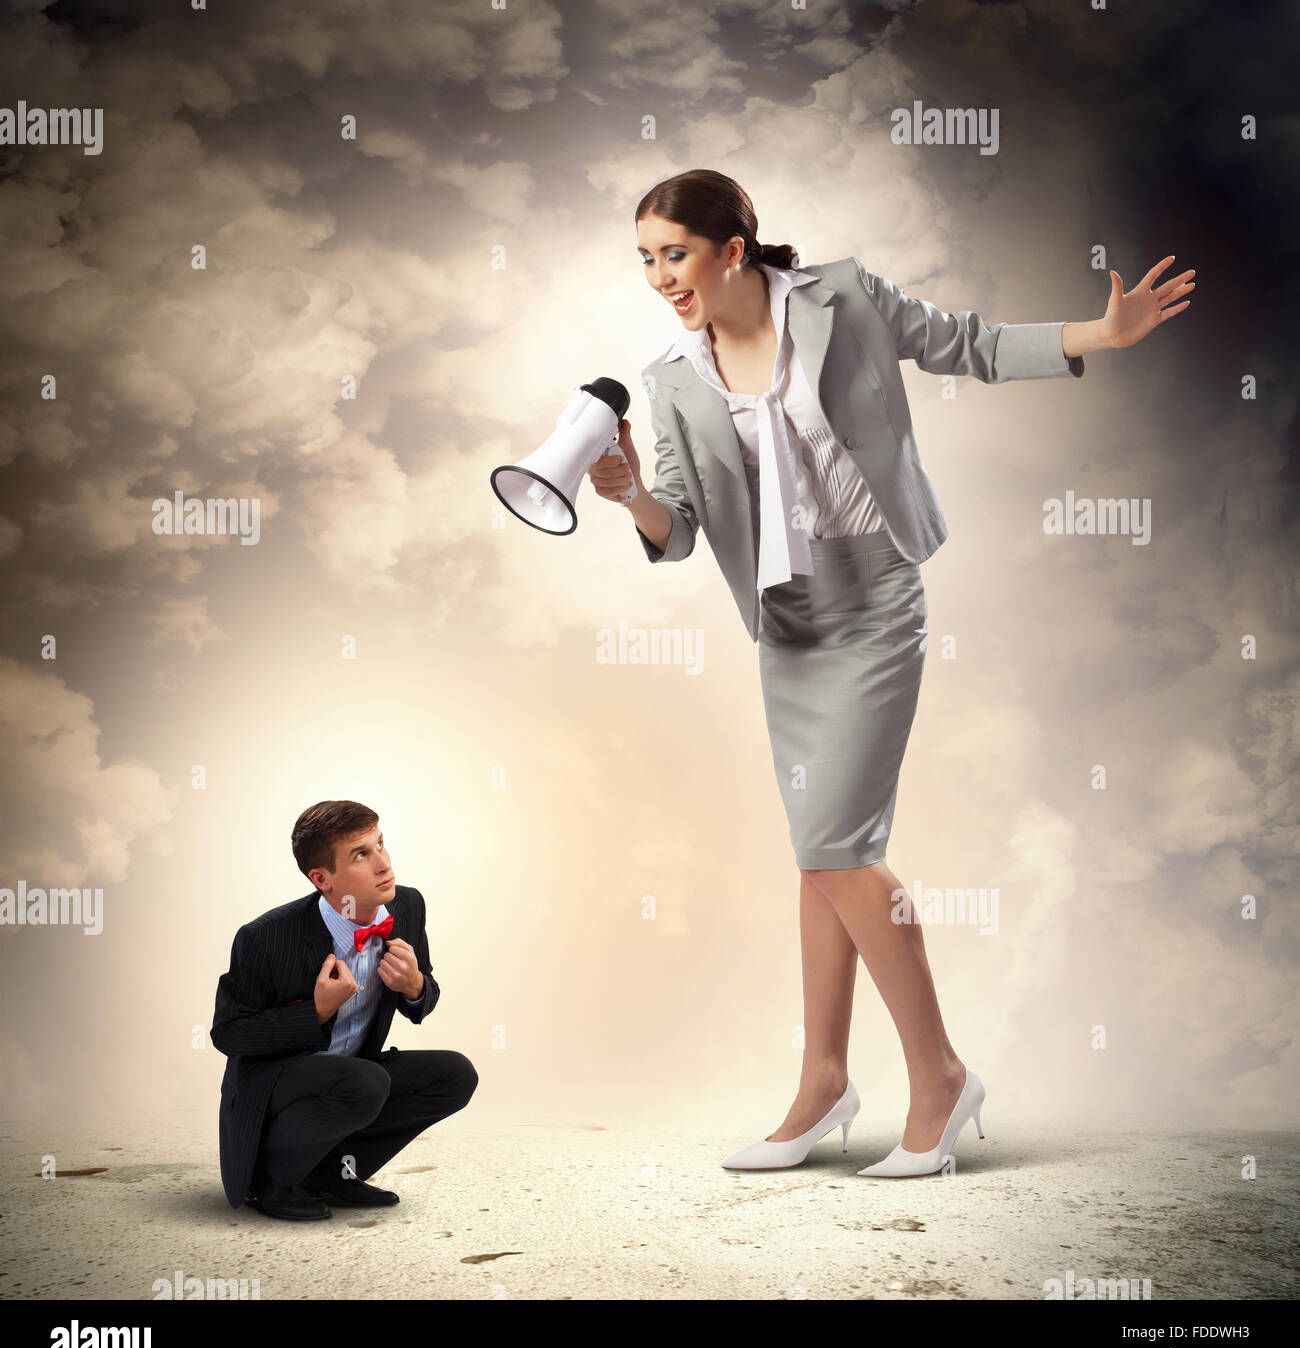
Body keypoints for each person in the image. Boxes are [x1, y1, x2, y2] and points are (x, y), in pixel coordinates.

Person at [588, 168, 1192, 1178]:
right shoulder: (670, 380)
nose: (659, 276)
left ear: (731, 248)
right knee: (819, 861)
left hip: (874, 604)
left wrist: (1101, 334)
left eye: (674, 253)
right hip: (786, 627)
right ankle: (822, 1081)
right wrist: (632, 495)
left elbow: (971, 345)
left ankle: (941, 1076)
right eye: (645, 258)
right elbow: (679, 529)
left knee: (837, 852)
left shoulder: (844, 298)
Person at [211, 800, 478, 1219]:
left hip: (354, 1073)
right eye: (361, 854)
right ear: (323, 879)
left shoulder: (407, 907)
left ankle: (335, 1172)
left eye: (380, 844)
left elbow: (422, 993)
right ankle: (272, 1180)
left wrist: (416, 987)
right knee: (365, 1081)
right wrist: (314, 1012)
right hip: (278, 1084)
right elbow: (228, 1033)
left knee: (455, 1075)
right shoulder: (264, 937)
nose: (383, 863)